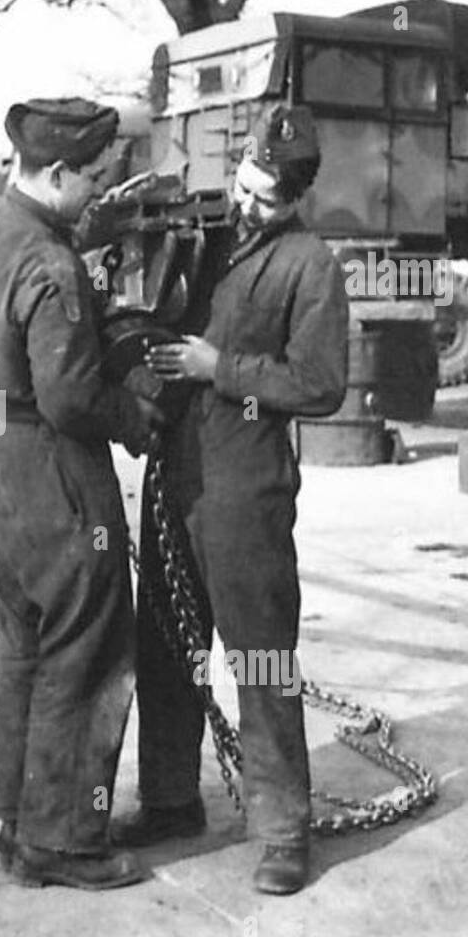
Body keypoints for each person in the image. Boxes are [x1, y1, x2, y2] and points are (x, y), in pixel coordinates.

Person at [114, 104, 348, 895]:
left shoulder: (311, 265)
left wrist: (224, 369)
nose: (250, 208)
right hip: (174, 473)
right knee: (167, 647)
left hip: (246, 488)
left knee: (258, 654)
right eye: (246, 188)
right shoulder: (203, 235)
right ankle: (173, 799)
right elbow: (153, 324)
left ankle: (284, 829)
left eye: (268, 200)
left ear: (297, 199)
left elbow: (320, 384)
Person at [0, 97, 163, 890]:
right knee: (90, 646)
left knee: (24, 640)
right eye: (93, 179)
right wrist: (133, 410)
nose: (99, 192)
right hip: (55, 463)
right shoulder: (50, 264)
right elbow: (70, 397)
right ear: (59, 171)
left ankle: (18, 819)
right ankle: (65, 839)